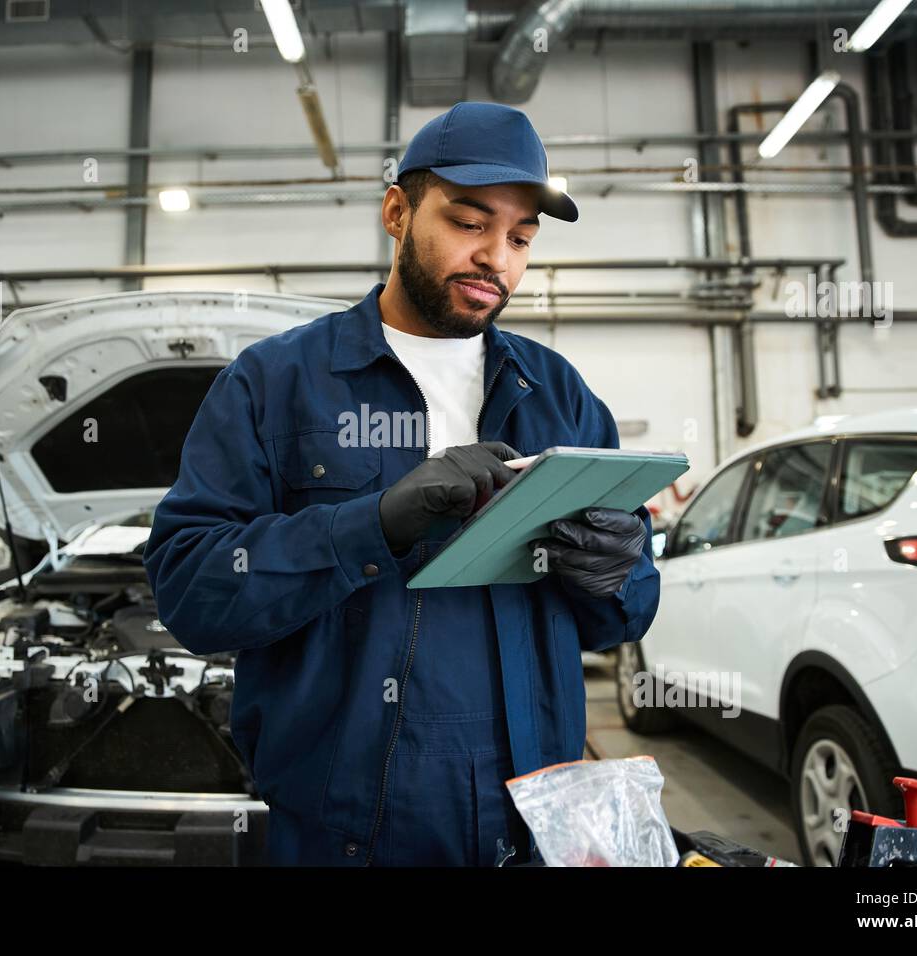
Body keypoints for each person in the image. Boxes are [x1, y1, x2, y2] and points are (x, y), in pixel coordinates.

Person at [144, 101, 660, 866]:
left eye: (520, 238)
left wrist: (613, 573)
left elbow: (630, 611)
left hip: (530, 822)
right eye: (468, 222)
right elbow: (191, 590)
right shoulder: (276, 383)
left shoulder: (561, 395)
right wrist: (373, 525)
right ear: (396, 211)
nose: (497, 258)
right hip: (341, 832)